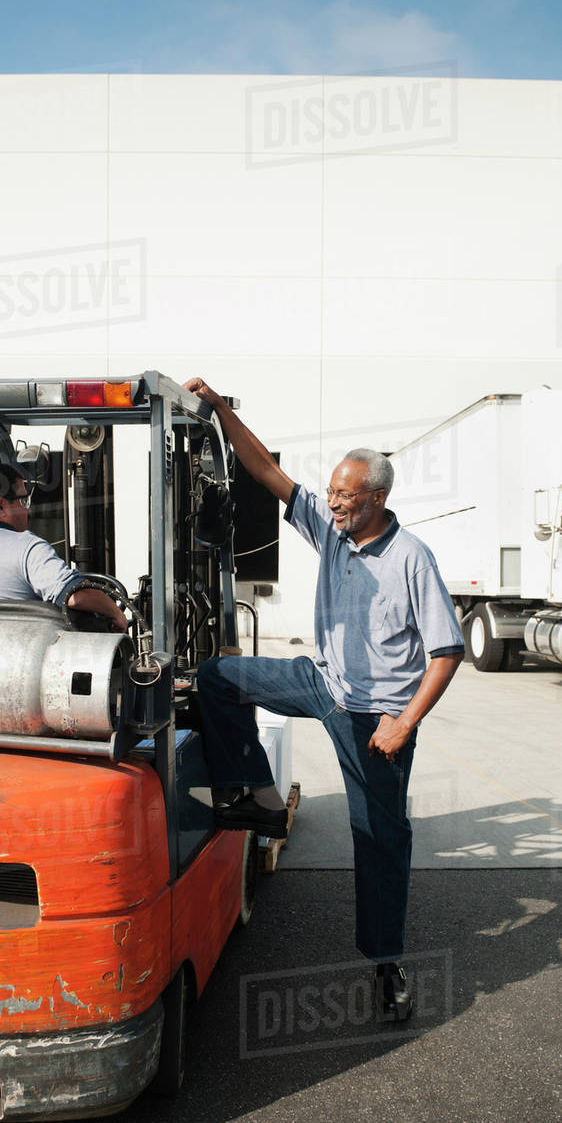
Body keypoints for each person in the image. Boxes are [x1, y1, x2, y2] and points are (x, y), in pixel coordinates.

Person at [183, 377, 464, 1020]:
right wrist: (221, 409)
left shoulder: (412, 559)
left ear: (378, 497)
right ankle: (253, 794)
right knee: (218, 679)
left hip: (379, 717)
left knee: (379, 839)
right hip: (324, 682)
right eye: (331, 493)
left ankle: (386, 964)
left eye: (345, 495)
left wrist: (404, 723)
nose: (333, 503)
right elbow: (261, 469)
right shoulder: (331, 530)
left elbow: (447, 653)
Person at [0, 460, 128, 631]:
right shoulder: (28, 548)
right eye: (23, 500)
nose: (28, 509)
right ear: (2, 506)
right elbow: (77, 596)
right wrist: (116, 613)